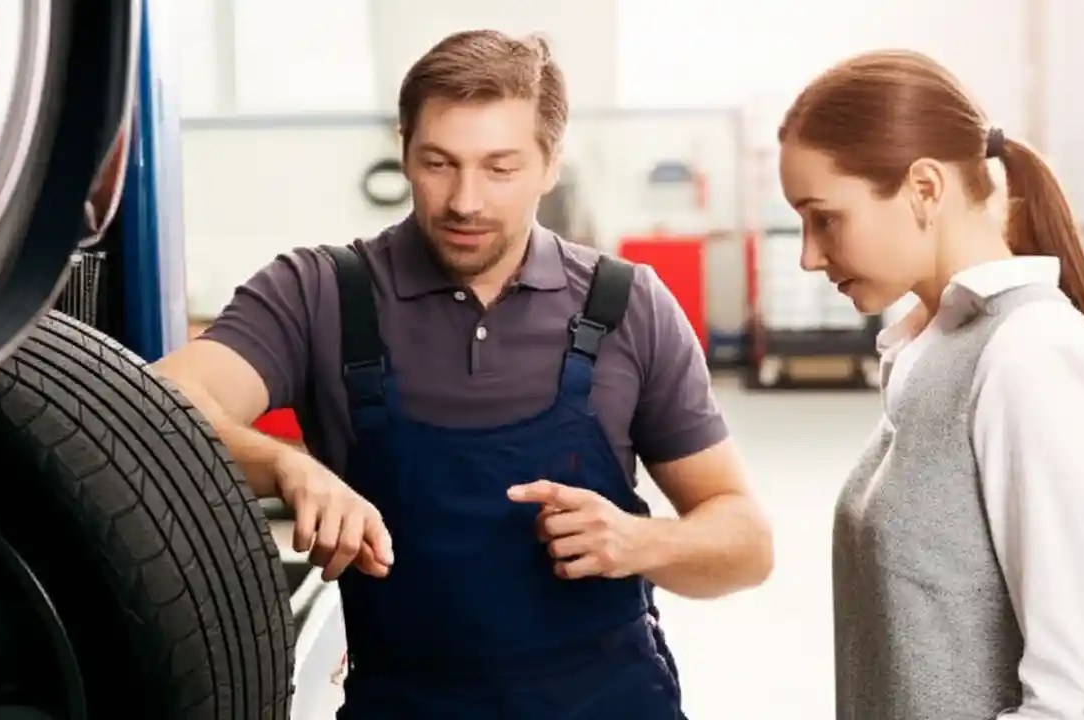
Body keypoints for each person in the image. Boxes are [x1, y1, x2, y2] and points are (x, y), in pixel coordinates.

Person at [153, 29, 773, 719]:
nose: (465, 201)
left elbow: (746, 542)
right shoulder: (318, 294)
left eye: (500, 168)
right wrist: (286, 467)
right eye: (439, 163)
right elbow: (159, 408)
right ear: (404, 151)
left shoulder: (628, 305)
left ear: (550, 164)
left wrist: (642, 541)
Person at [777, 49, 1084, 719]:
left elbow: (1080, 697)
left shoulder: (1031, 356)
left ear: (924, 189)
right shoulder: (929, 350)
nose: (808, 255)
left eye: (824, 217)